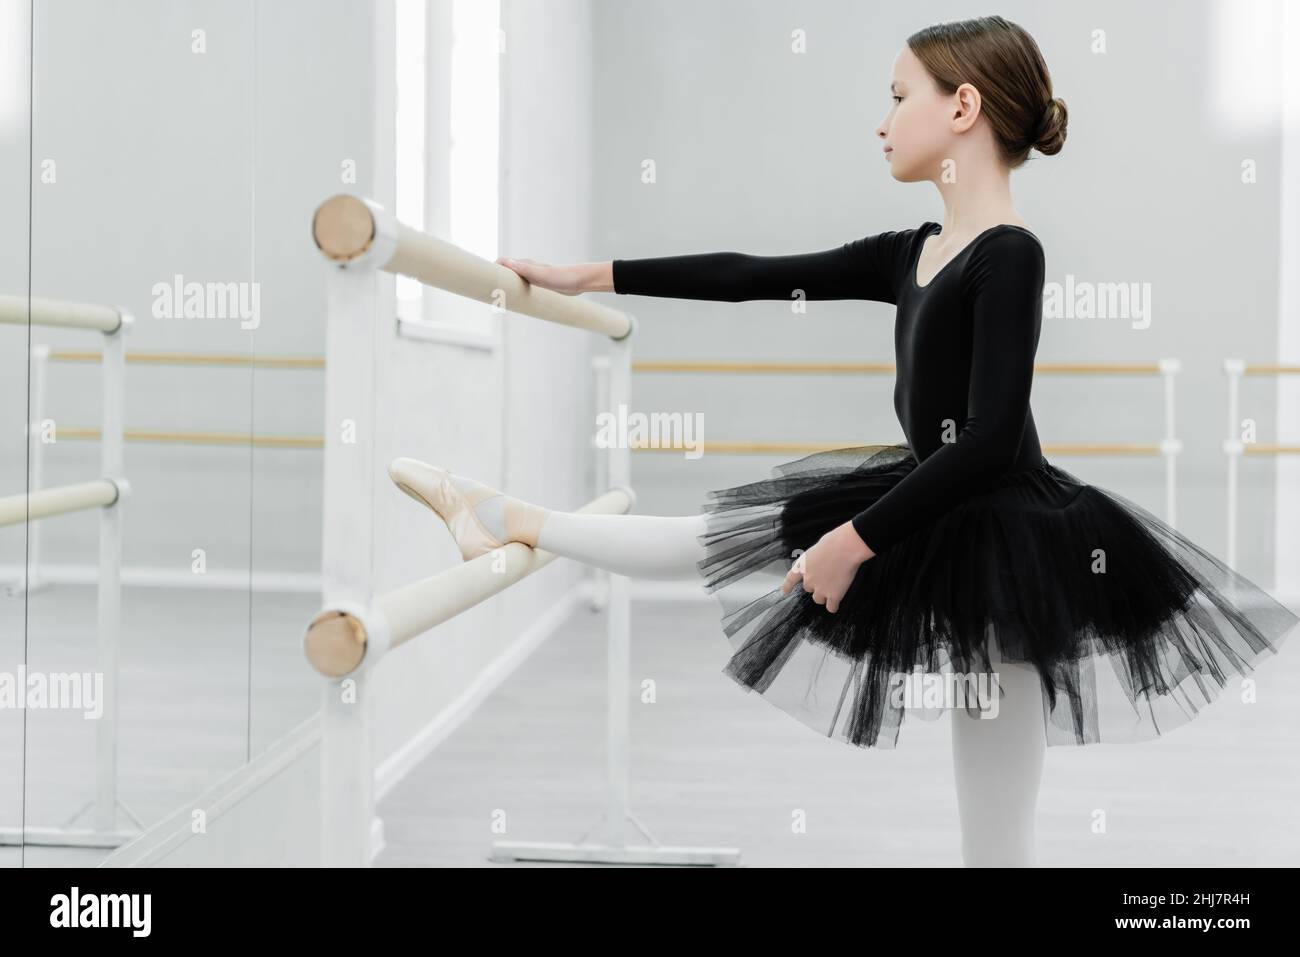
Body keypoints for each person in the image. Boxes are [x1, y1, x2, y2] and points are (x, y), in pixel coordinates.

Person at [388, 16, 1300, 867]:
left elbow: (986, 440)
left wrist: (854, 541)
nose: (884, 122)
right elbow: (753, 275)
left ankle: (504, 513)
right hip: (933, 492)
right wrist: (587, 272)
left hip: (1008, 524)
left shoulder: (1010, 252)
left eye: (899, 97)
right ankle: (500, 513)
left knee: (995, 800)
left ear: (963, 107)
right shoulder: (914, 248)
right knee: (704, 541)